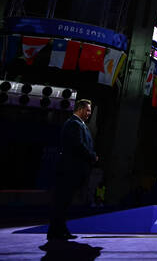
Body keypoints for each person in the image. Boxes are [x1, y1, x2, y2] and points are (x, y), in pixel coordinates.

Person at [48, 99, 98, 241]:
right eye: (88, 110)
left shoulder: (79, 124)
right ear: (80, 109)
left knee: (64, 203)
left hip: (72, 170)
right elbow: (78, 145)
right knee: (62, 202)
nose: (89, 113)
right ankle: (55, 231)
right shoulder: (74, 124)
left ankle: (59, 230)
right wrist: (92, 156)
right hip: (69, 170)